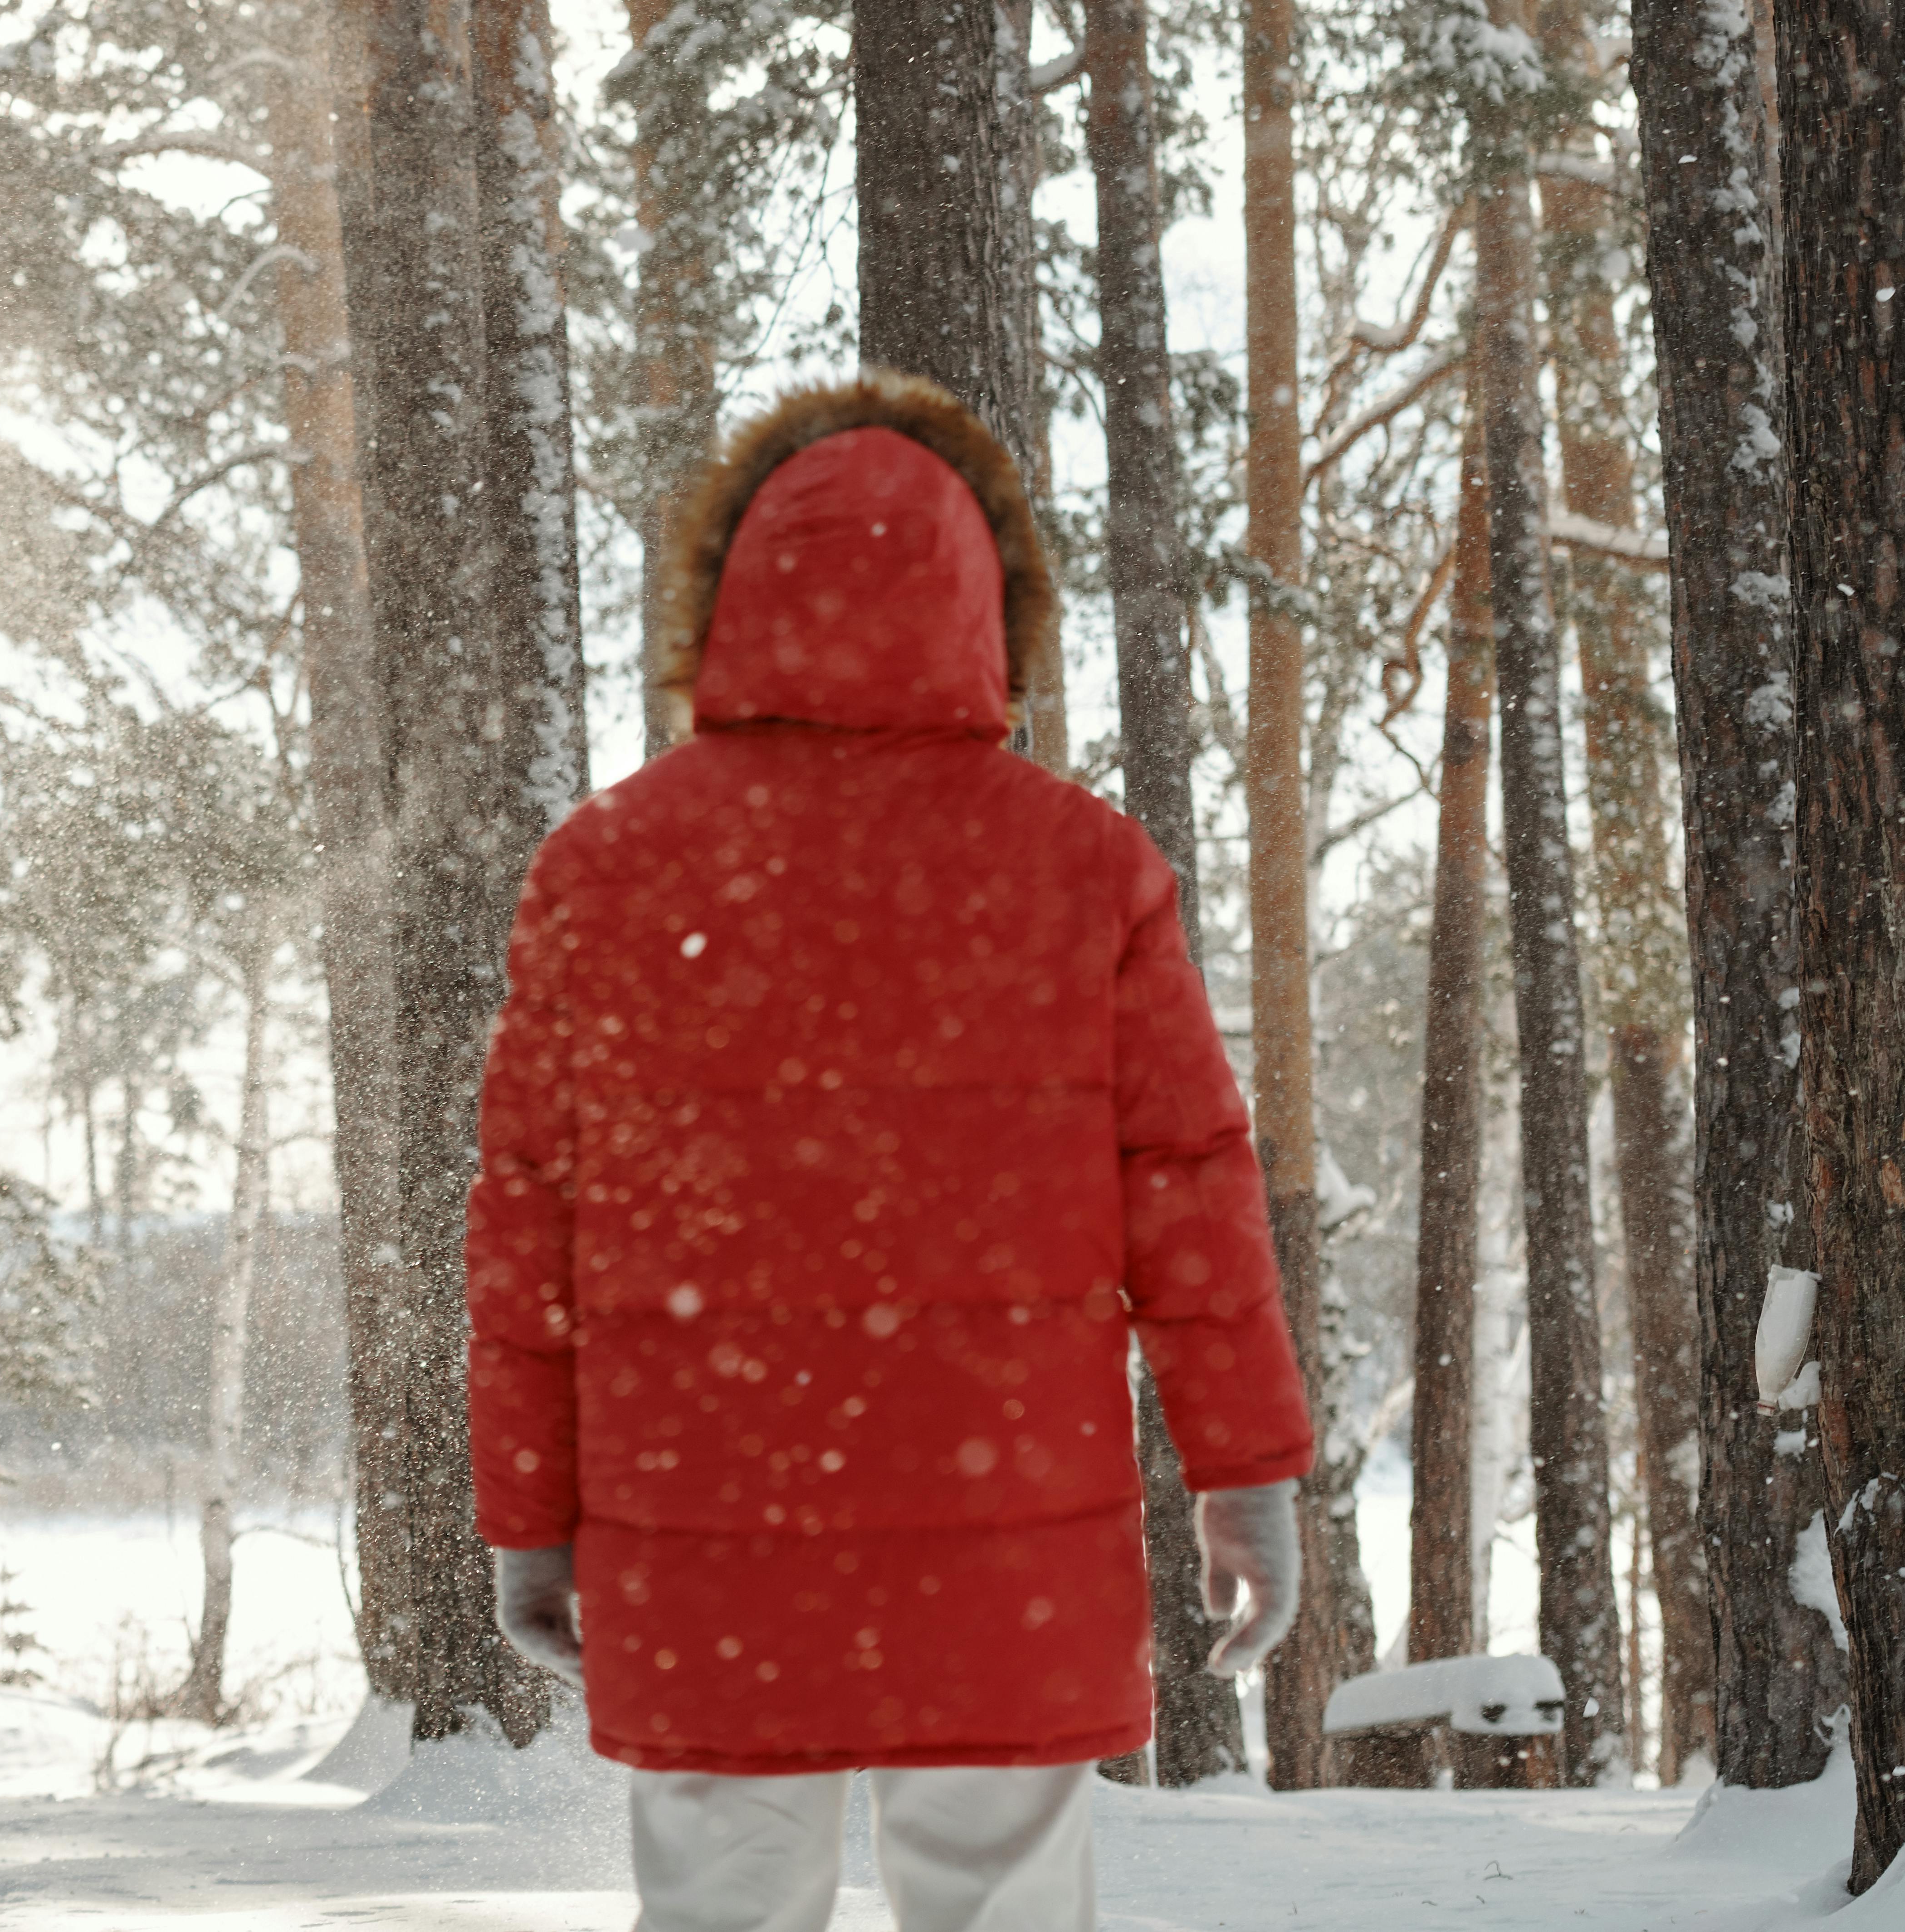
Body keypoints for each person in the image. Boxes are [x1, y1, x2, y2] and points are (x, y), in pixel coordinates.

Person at [466, 375, 1313, 1932]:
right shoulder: (1083, 865)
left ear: (729, 601)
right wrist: (1245, 1473)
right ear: (986, 603)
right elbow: (1192, 1198)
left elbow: (531, 1232)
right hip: (1005, 1548)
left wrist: (531, 1508)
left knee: (722, 1912)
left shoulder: (606, 869)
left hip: (710, 1535)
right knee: (1002, 1909)